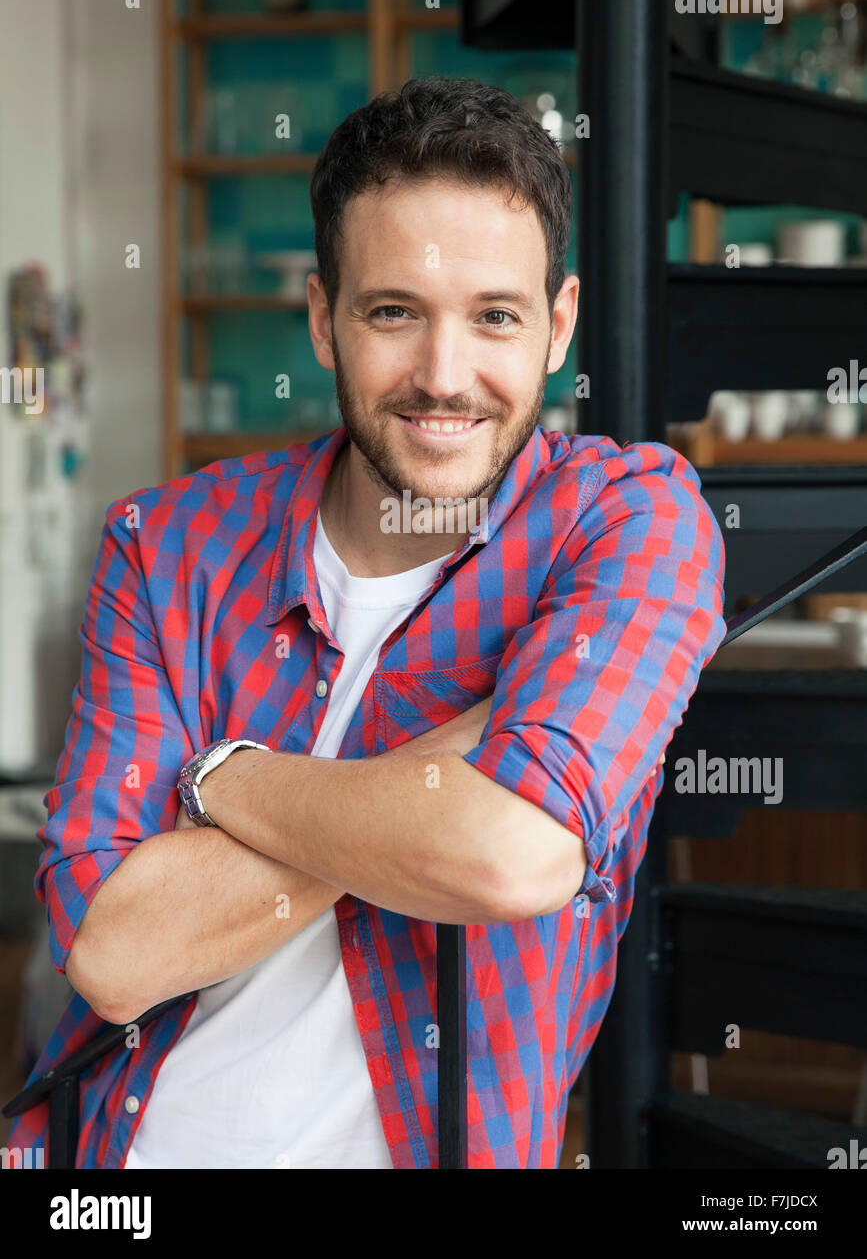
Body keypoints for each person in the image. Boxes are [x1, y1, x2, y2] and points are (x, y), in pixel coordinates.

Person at [7, 76, 725, 1169]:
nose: (445, 379)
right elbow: (113, 950)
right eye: (394, 312)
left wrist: (226, 782)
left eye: (495, 316)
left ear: (559, 325)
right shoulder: (170, 545)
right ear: (322, 318)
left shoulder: (627, 518)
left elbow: (510, 857)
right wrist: (472, 747)